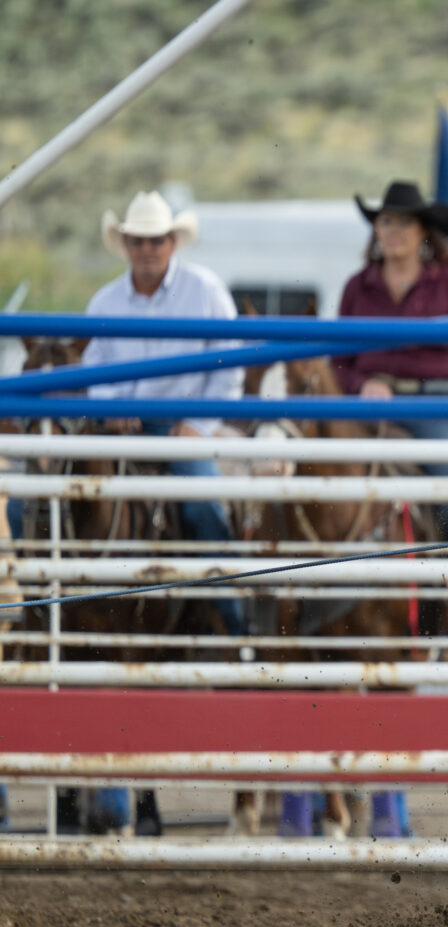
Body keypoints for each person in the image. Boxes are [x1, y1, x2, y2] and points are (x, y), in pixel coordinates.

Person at [76, 190, 246, 835]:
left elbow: (229, 371)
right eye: (138, 240)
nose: (147, 249)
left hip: (179, 433)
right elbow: (95, 373)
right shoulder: (105, 302)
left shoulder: (205, 292)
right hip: (123, 434)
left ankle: (227, 618)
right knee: (69, 508)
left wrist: (196, 428)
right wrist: (112, 410)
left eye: (156, 240)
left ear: (172, 242)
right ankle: (68, 603)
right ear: (126, 243)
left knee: (203, 508)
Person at [330, 179, 448, 839]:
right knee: (320, 482)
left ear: (424, 232)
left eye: (402, 223)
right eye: (385, 222)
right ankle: (314, 592)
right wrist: (366, 385)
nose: (391, 232)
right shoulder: (357, 287)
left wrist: (400, 388)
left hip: (432, 407)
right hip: (370, 408)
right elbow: (337, 359)